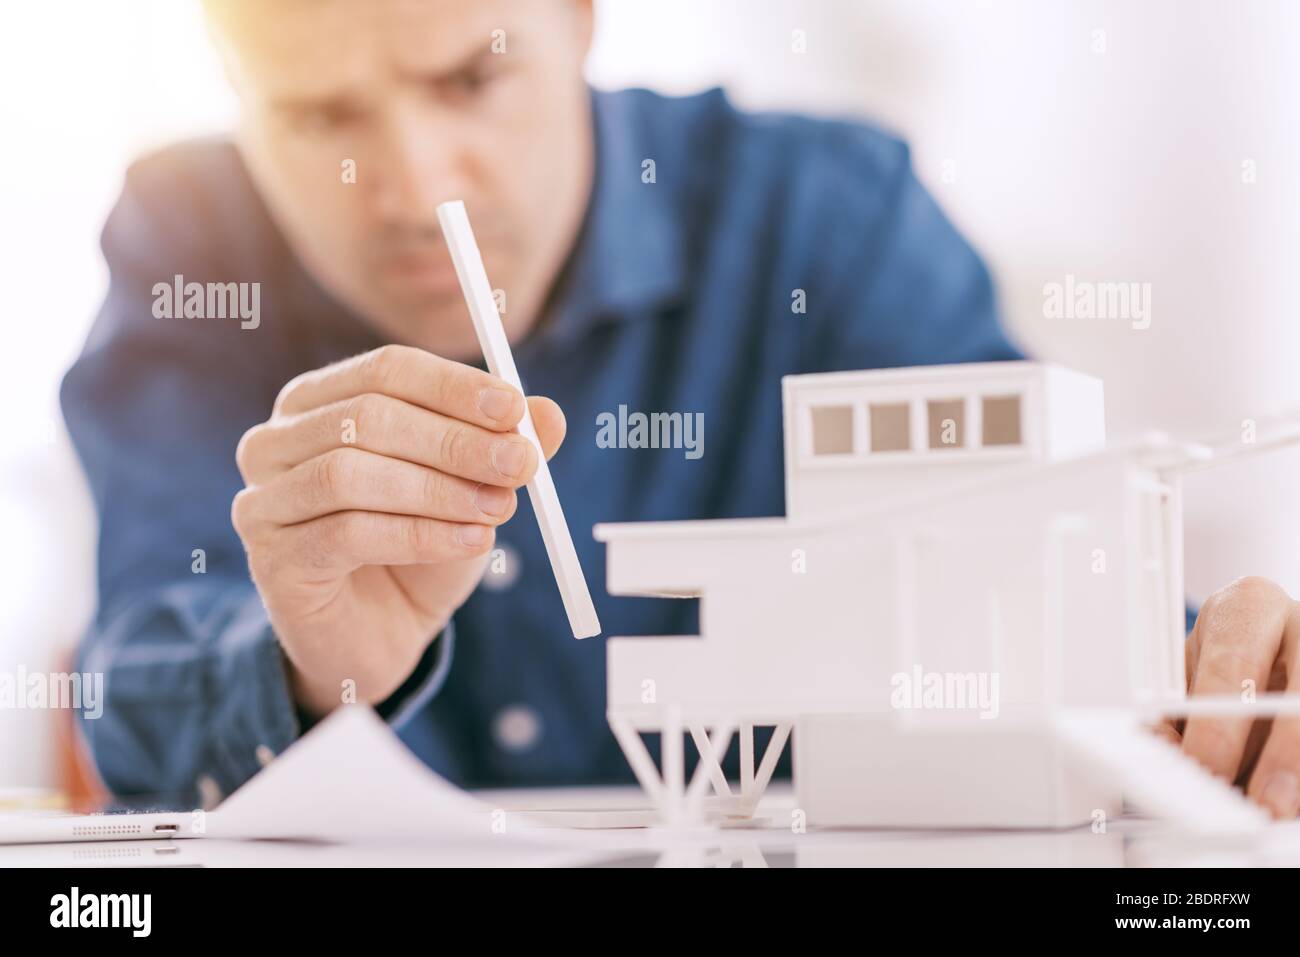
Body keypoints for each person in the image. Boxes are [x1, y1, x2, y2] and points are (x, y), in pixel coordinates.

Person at [61, 0, 1300, 819]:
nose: (410, 185)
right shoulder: (190, 242)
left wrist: (1227, 688)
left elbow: (1039, 569)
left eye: (472, 77)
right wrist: (301, 666)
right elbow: (137, 689)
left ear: (579, 21)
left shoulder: (826, 222)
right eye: (320, 115)